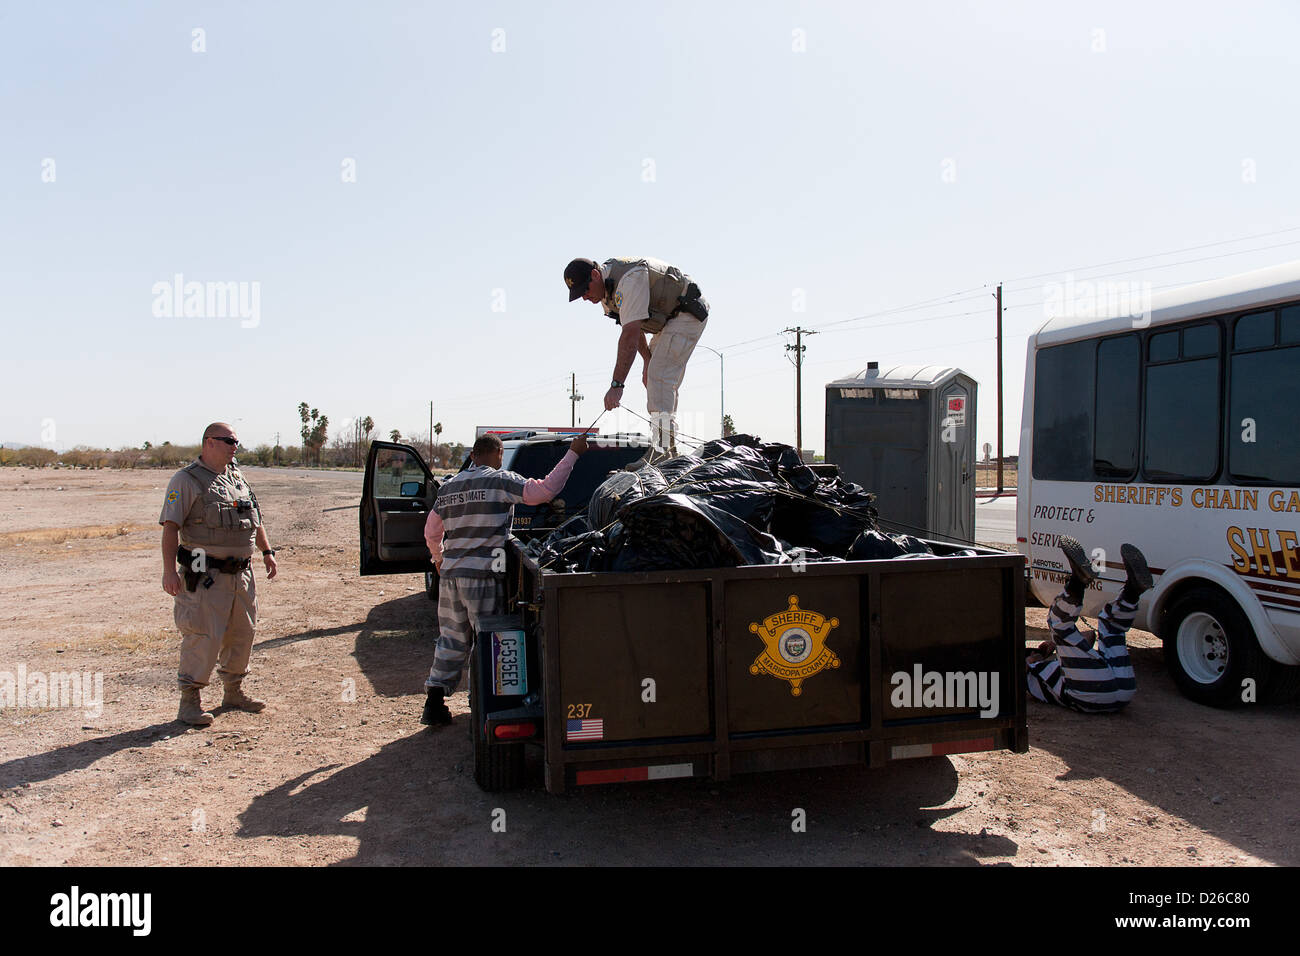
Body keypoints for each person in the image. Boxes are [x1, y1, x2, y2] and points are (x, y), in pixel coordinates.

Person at [420, 431, 588, 725]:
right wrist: (573, 453)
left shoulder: (449, 487)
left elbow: (431, 531)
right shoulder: (500, 480)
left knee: (452, 637)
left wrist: (439, 558)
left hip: (451, 578)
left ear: (473, 455)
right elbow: (546, 491)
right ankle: (481, 710)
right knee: (486, 640)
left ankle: (434, 702)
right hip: (483, 575)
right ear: (498, 455)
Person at [160, 422, 278, 726]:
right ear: (209, 442)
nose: (234, 446)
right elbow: (171, 528)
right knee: (203, 634)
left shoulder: (237, 478)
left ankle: (233, 692)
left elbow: (256, 519)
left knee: (242, 632)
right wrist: (169, 571)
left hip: (241, 574)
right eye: (229, 441)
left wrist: (267, 553)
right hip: (203, 571)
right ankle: (190, 702)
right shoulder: (186, 480)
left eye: (236, 441)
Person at [564, 256, 708, 461]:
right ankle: (663, 448)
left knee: (660, 375)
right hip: (670, 321)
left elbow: (630, 336)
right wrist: (647, 360)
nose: (585, 297)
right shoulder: (607, 293)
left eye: (585, 290)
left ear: (595, 275)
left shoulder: (628, 281)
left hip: (686, 312)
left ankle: (663, 451)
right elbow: (634, 325)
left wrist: (617, 385)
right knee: (655, 374)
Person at [1026, 535, 1152, 713]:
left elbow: (1089, 636)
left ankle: (1132, 592)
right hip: (1087, 693)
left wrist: (1054, 647)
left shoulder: (1068, 666)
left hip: (1122, 690)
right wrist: (1037, 655)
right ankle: (1078, 582)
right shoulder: (1030, 674)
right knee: (1058, 623)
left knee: (1111, 625)